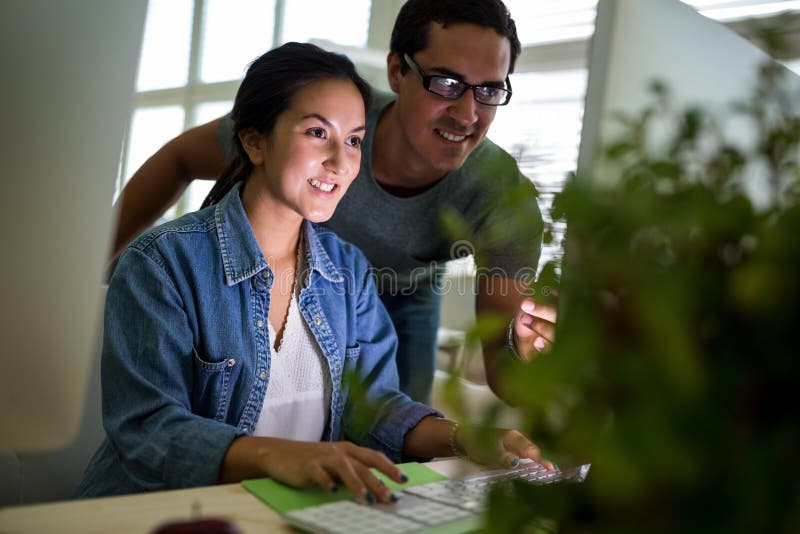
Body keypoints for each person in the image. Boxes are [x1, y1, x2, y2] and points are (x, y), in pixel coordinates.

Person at [74, 42, 552, 501]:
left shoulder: (348, 272)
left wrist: (467, 437)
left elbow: (373, 408)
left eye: (354, 141)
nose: (341, 162)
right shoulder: (161, 264)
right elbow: (148, 430)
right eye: (317, 133)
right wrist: (280, 457)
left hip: (282, 513)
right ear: (255, 141)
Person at [110, 0, 557, 405]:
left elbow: (506, 370)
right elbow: (179, 158)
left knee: (401, 431)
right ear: (398, 71)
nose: (467, 114)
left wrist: (537, 351)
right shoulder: (334, 123)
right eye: (445, 83)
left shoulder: (504, 198)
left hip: (406, 292)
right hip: (297, 274)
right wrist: (98, 259)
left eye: (489, 91)